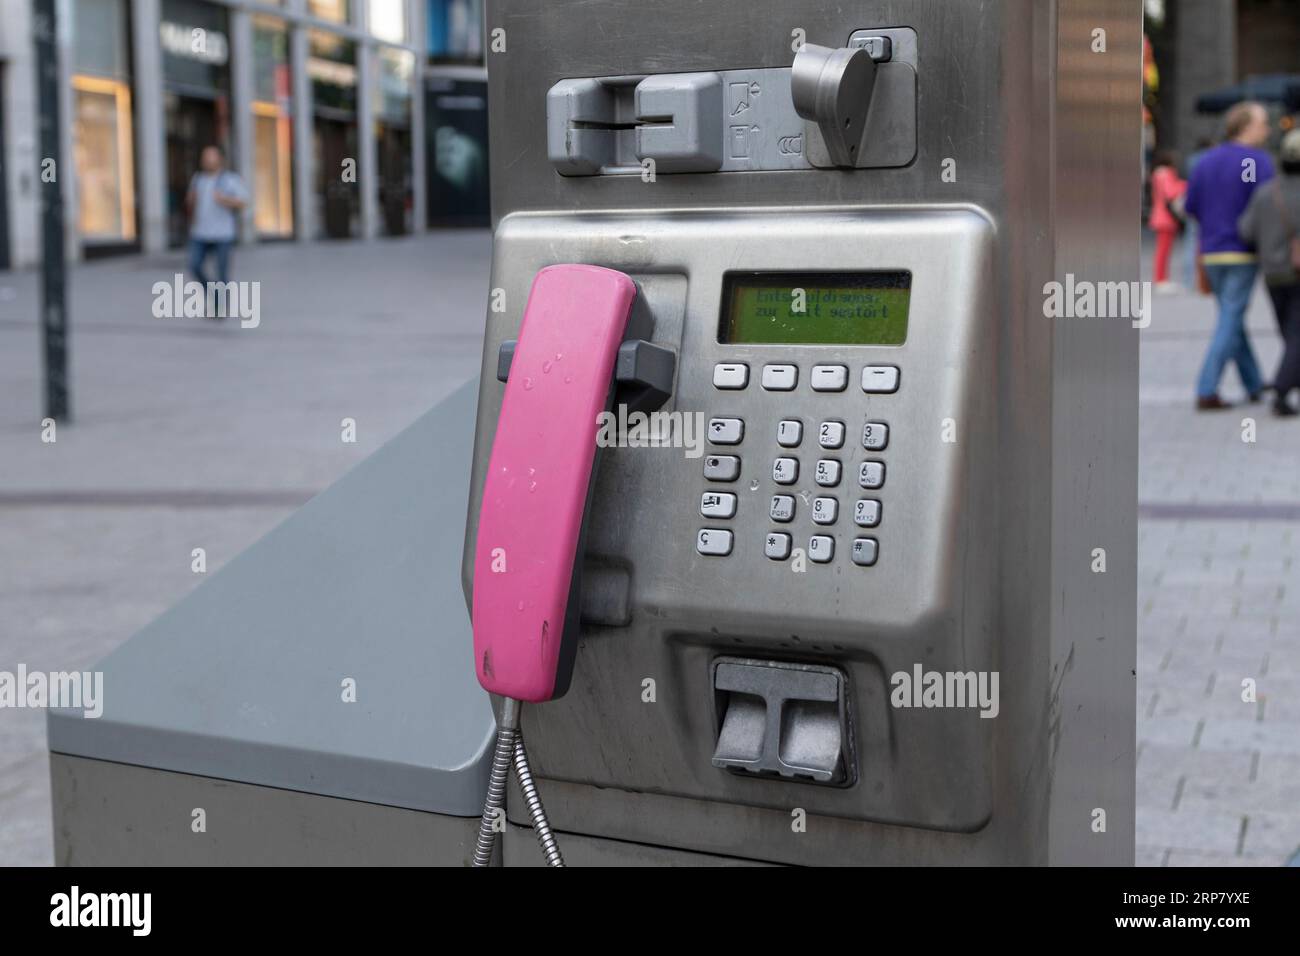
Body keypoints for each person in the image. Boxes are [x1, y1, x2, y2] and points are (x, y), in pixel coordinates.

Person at [1184, 101, 1276, 410]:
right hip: (1242, 252)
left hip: (1211, 252)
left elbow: (1191, 207)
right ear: (1246, 126)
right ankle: (1207, 387)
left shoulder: (1205, 161)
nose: (1268, 128)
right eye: (1263, 122)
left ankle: (1253, 382)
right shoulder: (1258, 163)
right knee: (1230, 318)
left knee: (1230, 316)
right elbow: (1268, 206)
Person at [1238, 128, 1300, 418]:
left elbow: (1246, 230)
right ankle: (1282, 389)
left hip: (1274, 275)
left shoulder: (1266, 192)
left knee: (1290, 333)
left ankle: (1288, 383)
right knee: (1296, 335)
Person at [185, 145, 248, 318]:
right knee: (194, 265)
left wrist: (224, 199)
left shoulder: (229, 179)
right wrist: (190, 200)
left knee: (222, 272)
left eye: (211, 156)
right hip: (200, 233)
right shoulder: (198, 179)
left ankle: (219, 307)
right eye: (205, 157)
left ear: (220, 158)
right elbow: (191, 202)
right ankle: (214, 294)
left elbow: (243, 202)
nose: (207, 160)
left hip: (222, 234)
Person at [1148, 151, 1186, 292]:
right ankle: (1161, 279)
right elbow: (1171, 192)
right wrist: (1184, 185)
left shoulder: (1157, 174)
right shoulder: (1167, 174)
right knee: (1164, 250)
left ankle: (1161, 278)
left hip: (1159, 214)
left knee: (1162, 249)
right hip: (1166, 217)